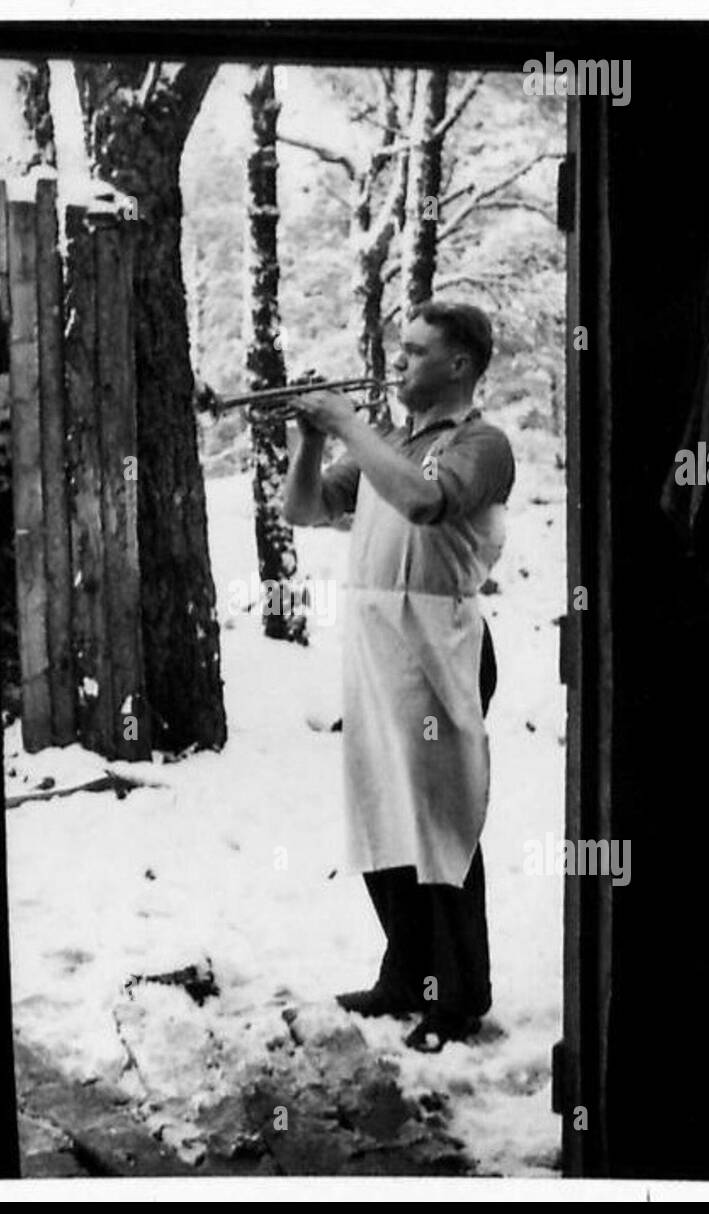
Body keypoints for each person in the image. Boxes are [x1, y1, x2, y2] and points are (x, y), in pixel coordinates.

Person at [283, 300, 515, 1053]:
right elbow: (305, 509)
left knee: (442, 818)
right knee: (383, 804)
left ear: (459, 365)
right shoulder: (391, 443)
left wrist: (348, 423)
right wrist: (310, 441)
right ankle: (404, 971)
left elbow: (423, 502)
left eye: (416, 351)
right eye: (401, 348)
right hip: (380, 646)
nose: (400, 361)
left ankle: (459, 993)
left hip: (439, 642)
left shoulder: (482, 444)